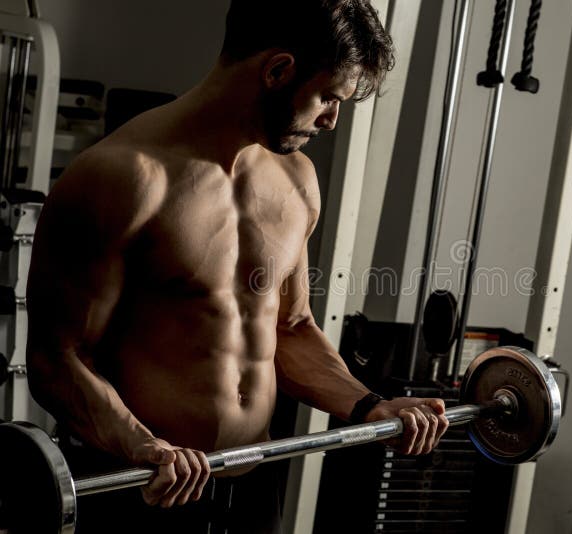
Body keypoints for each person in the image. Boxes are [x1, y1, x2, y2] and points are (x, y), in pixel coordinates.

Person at [25, 1, 449, 532]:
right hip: (142, 491)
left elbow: (290, 329)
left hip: (253, 484)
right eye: (327, 97)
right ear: (277, 71)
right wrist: (142, 444)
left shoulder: (296, 181)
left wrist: (368, 406)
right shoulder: (122, 180)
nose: (332, 120)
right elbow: (56, 359)